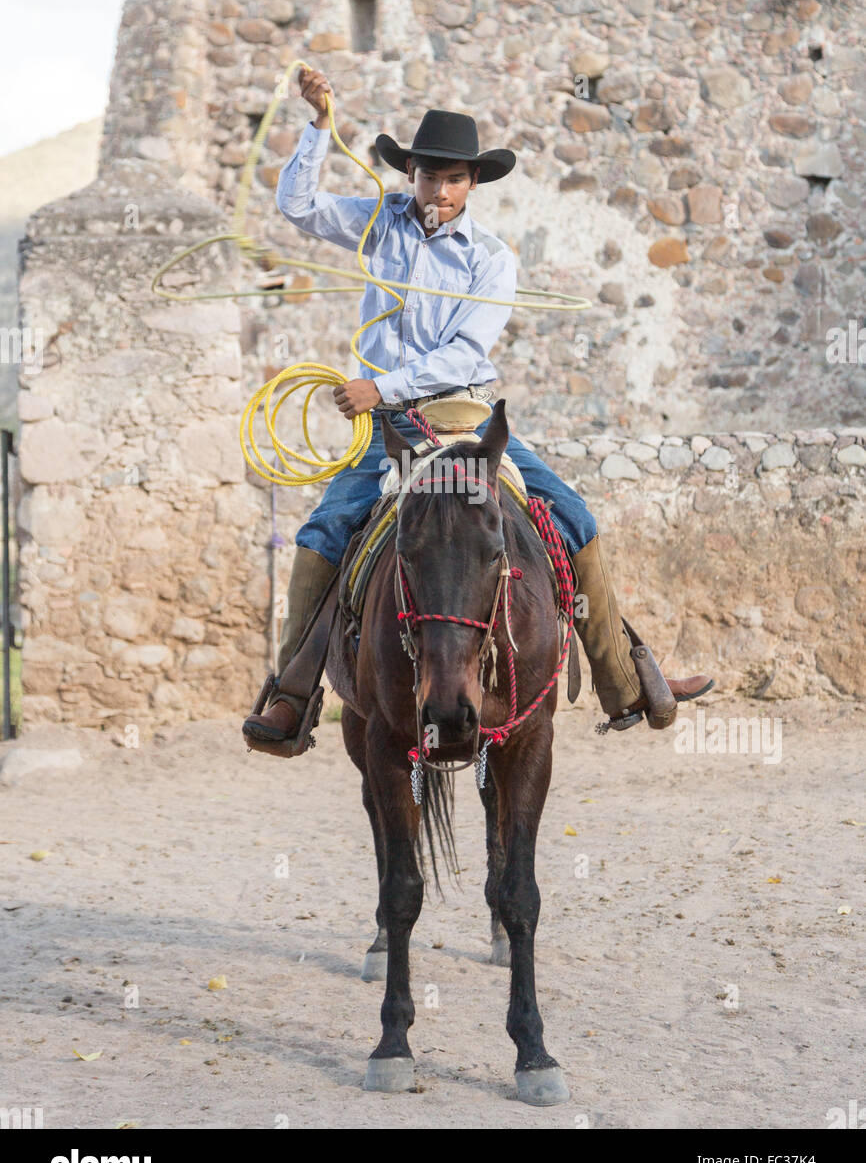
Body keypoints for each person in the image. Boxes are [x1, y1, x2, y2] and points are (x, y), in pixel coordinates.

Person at [242, 66, 711, 754]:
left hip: (465, 418)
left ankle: (621, 677)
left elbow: (465, 355)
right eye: (428, 176)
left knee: (572, 515)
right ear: (411, 175)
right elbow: (298, 206)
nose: (438, 190)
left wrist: (383, 387)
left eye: (453, 178)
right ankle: (293, 694)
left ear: (472, 184)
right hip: (392, 430)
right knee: (322, 535)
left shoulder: (492, 261)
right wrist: (319, 125)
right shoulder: (379, 223)